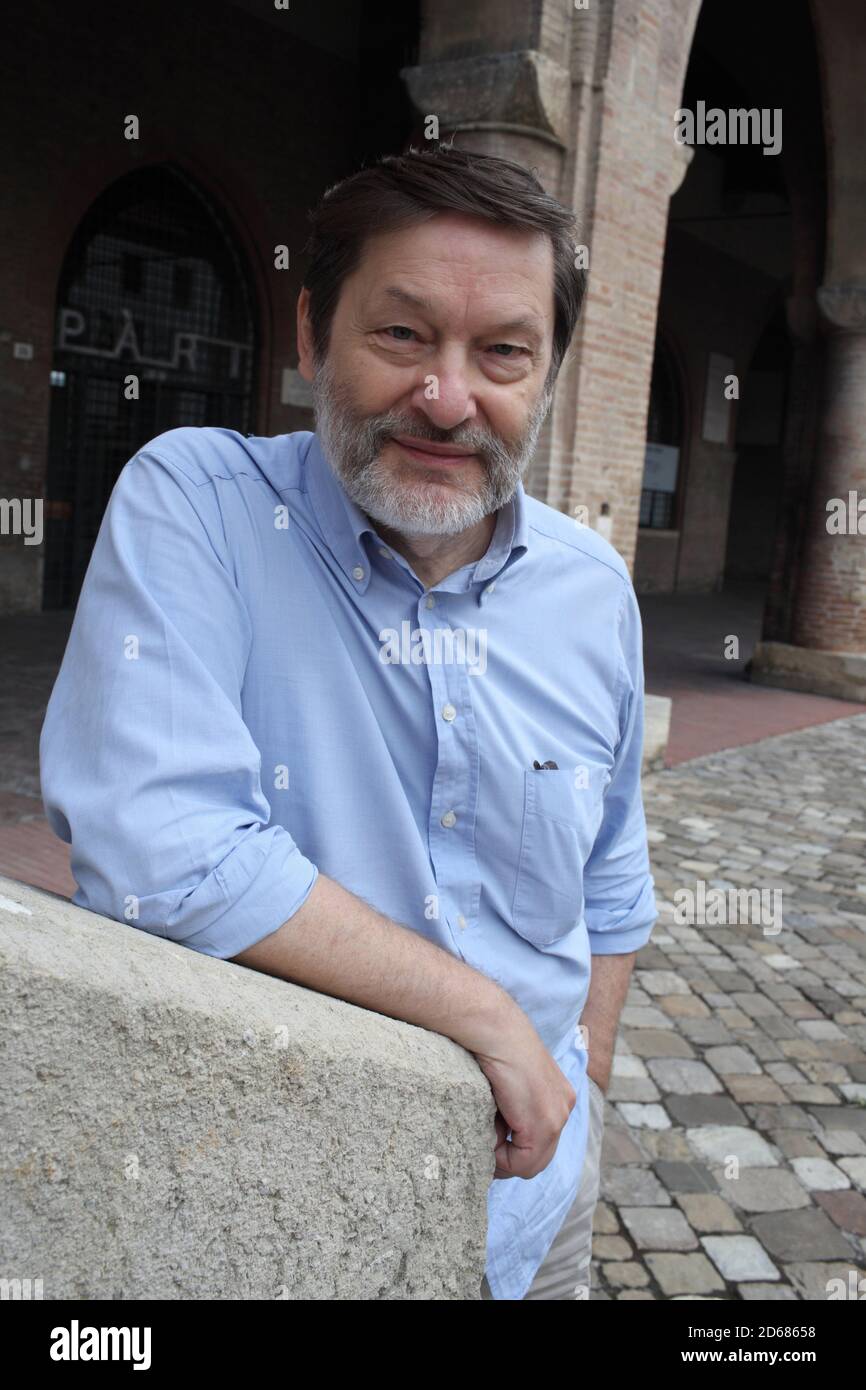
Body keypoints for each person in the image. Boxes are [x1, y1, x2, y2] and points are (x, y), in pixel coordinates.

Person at [40, 144, 657, 1300]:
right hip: (276, 1210)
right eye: (403, 335)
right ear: (313, 334)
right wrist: (491, 1025)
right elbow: (162, 850)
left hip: (538, 1213)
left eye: (502, 353)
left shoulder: (591, 591)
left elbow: (612, 881)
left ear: (547, 376)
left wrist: (587, 1080)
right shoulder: (201, 504)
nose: (446, 395)